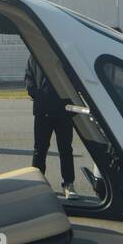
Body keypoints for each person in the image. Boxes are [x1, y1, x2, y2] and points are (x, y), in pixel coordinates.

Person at [25, 54, 75, 196]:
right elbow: (28, 76)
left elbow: (74, 79)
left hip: (64, 111)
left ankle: (69, 184)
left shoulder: (63, 53)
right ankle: (37, 184)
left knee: (65, 149)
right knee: (39, 150)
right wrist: (35, 92)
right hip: (42, 110)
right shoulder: (35, 55)